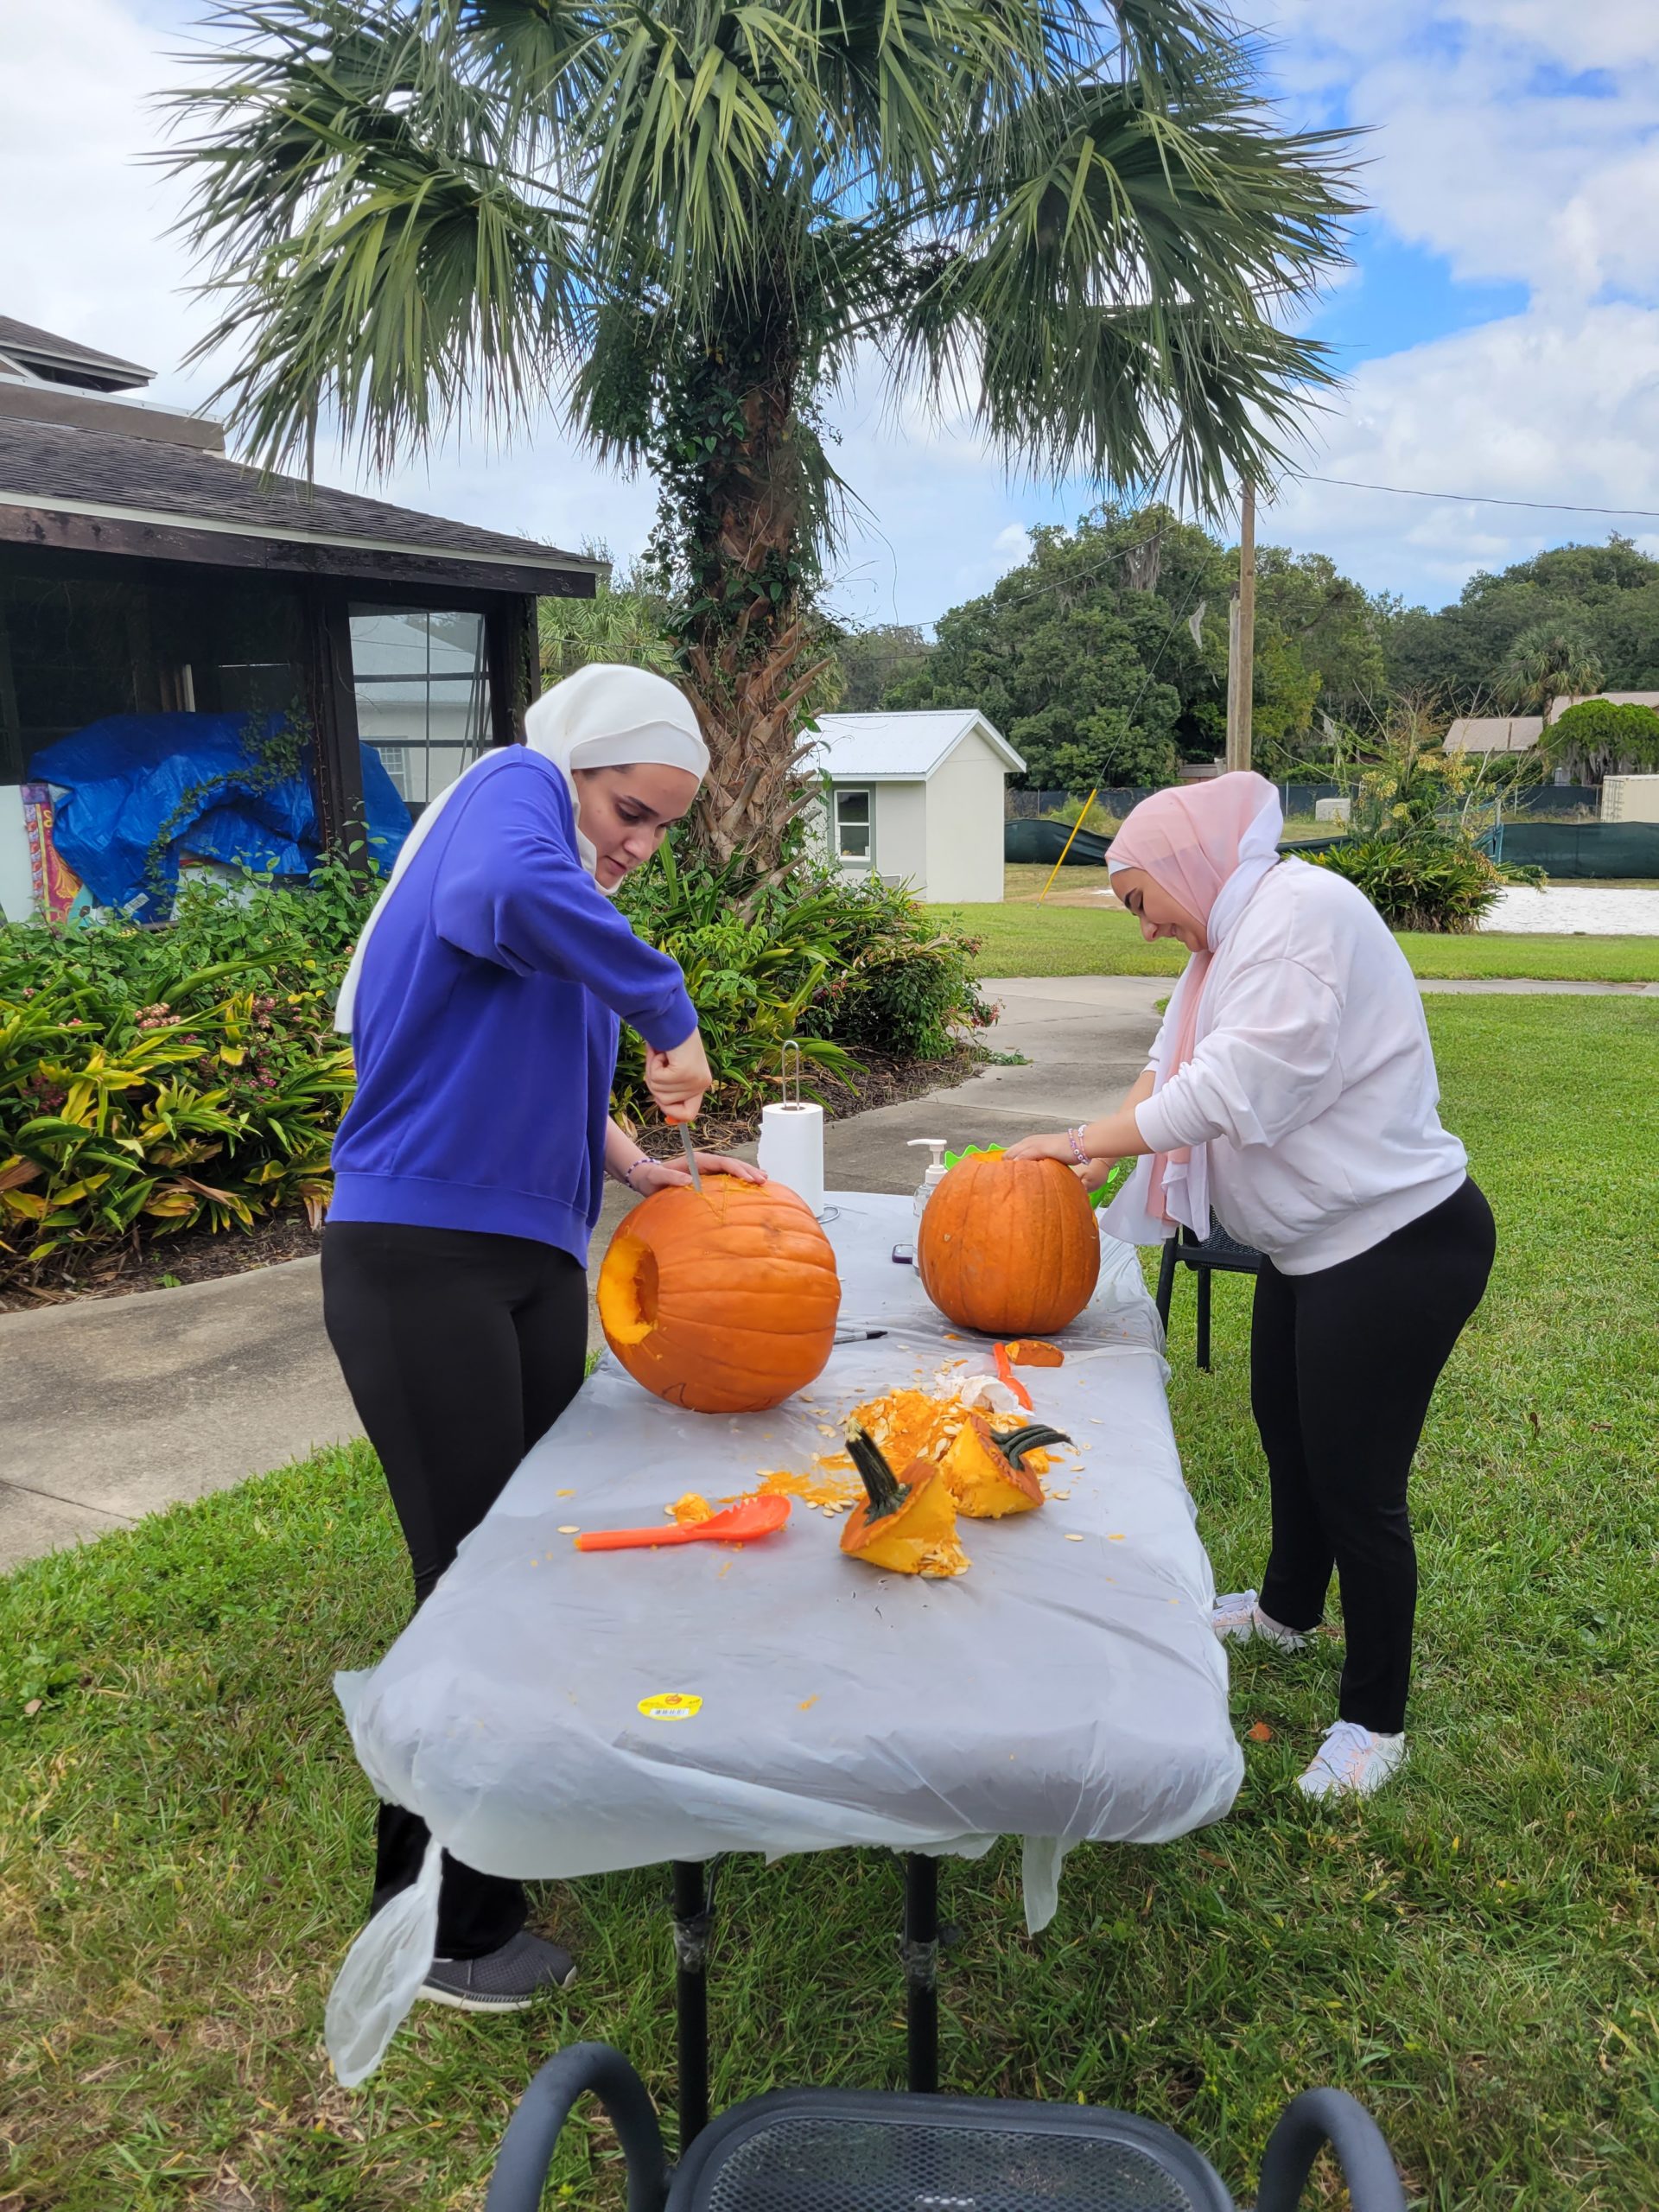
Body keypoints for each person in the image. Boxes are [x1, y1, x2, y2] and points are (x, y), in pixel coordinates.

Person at [322, 664, 764, 2008]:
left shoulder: (553, 886)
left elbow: (525, 1059)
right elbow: (510, 893)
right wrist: (668, 1006)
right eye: (630, 811)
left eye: (663, 827)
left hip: (525, 1262)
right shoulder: (510, 796)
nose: (640, 845)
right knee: (471, 1585)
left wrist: (631, 1164)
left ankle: (505, 1829)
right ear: (573, 765)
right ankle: (443, 1928)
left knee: (526, 1564)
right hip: (421, 1262)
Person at [1003, 772, 1494, 1800]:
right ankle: (1287, 1612)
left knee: (1357, 1486)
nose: (1147, 929)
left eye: (1143, 903)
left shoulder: (1299, 918)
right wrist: (1105, 1153)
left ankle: (1375, 1722)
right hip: (1310, 1247)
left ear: (1188, 866)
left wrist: (1079, 1138)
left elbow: (1232, 1086)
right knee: (1287, 1431)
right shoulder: (1228, 938)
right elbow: (1169, 1061)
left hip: (1395, 1244)